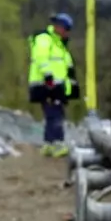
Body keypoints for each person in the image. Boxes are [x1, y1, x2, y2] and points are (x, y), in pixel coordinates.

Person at [27, 13, 79, 158]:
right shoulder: (45, 39)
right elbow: (40, 57)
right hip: (46, 84)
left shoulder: (59, 45)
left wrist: (70, 89)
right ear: (58, 27)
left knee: (54, 113)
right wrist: (48, 76)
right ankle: (57, 143)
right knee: (55, 114)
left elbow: (66, 69)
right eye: (66, 28)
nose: (67, 32)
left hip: (55, 86)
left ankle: (49, 144)